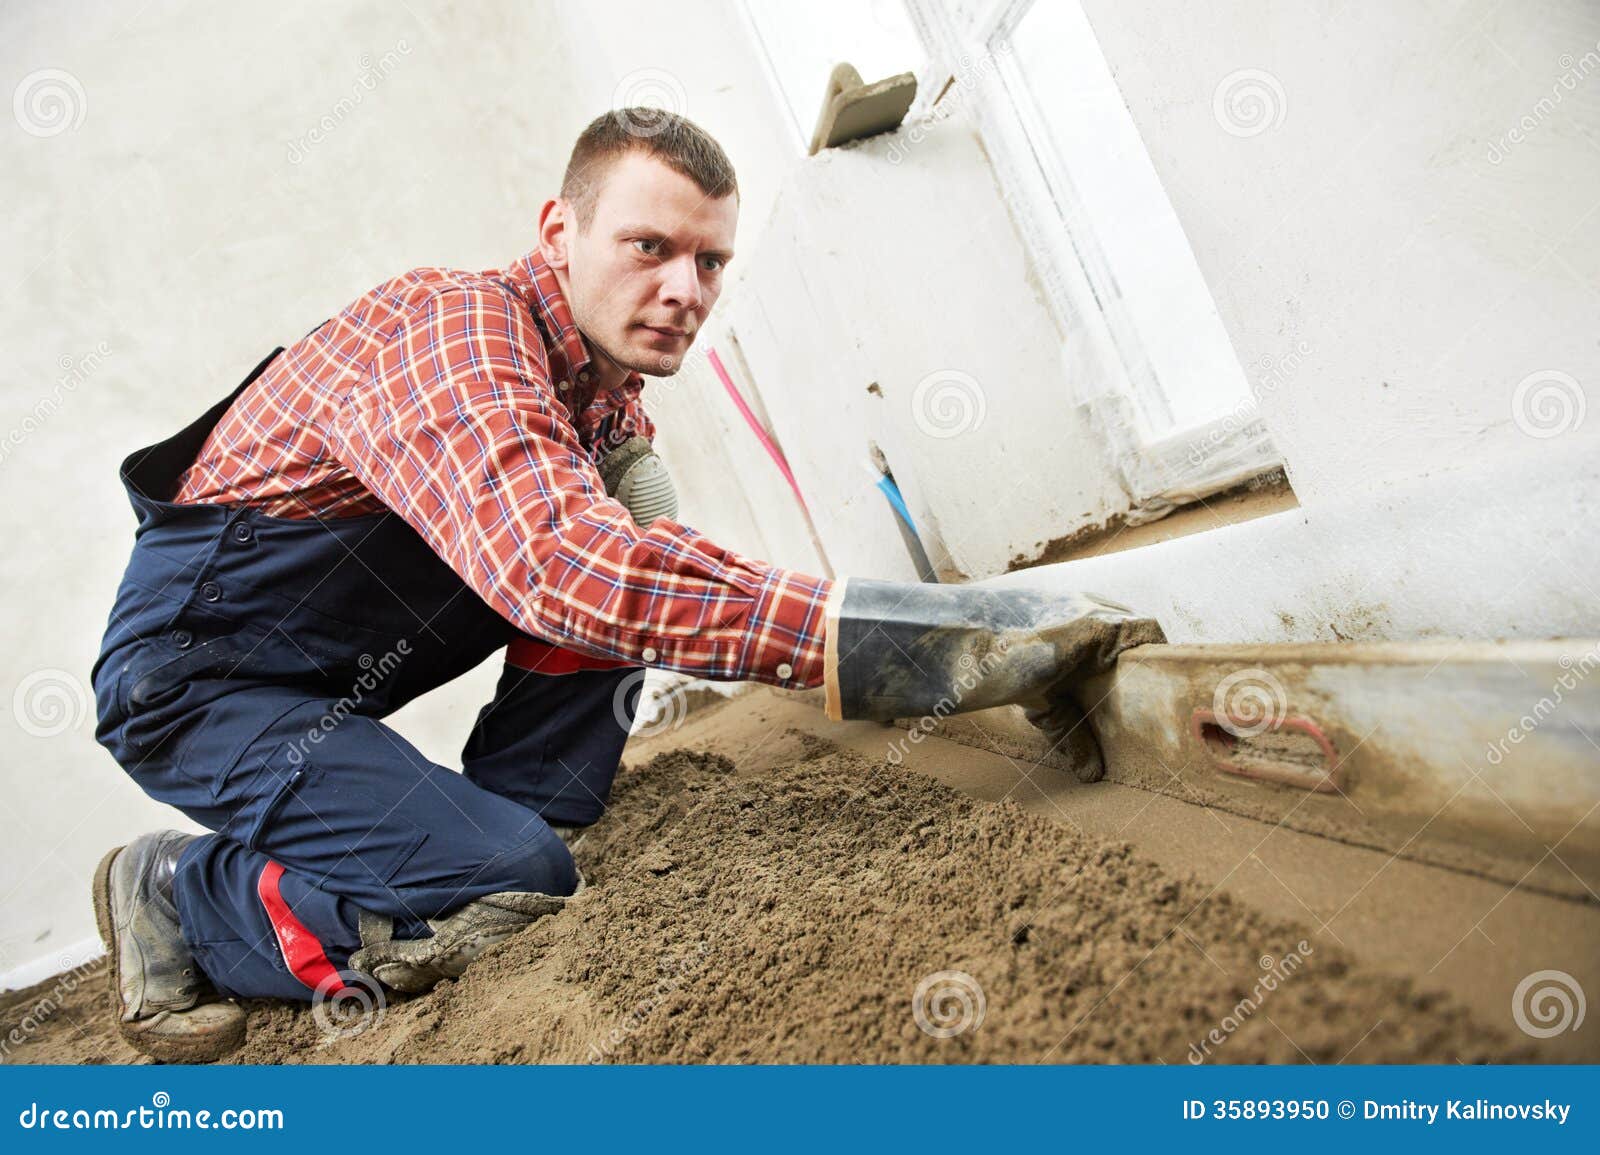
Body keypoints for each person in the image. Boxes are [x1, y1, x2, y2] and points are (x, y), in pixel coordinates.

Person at [89, 108, 1161, 1062]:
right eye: (649, 247)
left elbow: (633, 565)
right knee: (509, 878)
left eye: (709, 263)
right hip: (198, 690)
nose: (682, 291)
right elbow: (564, 571)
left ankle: (504, 816)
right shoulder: (452, 333)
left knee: (599, 663)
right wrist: (914, 641)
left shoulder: (602, 409)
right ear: (559, 234)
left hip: (329, 671)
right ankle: (186, 894)